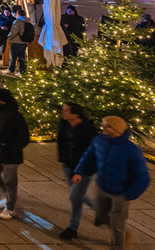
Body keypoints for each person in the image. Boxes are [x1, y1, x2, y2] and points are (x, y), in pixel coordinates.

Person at [73, 116, 150, 250]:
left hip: (121, 192)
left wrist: (129, 194)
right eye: (104, 125)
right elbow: (88, 156)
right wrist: (79, 171)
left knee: (117, 222)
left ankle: (117, 246)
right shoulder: (99, 141)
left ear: (117, 129)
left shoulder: (131, 150)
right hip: (103, 186)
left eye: (108, 126)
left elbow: (143, 176)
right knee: (101, 215)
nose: (104, 128)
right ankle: (122, 233)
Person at [57, 102, 99, 240]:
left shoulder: (89, 130)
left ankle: (72, 228)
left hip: (84, 170)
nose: (63, 113)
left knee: (75, 197)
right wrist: (64, 158)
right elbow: (62, 142)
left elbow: (92, 153)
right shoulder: (65, 124)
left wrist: (82, 170)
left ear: (75, 114)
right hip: (69, 165)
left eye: (66, 111)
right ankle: (101, 211)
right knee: (76, 195)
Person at [0, 88, 30, 220]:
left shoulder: (15, 116)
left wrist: (13, 149)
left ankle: (10, 208)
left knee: (10, 182)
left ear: (1, 99)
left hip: (11, 156)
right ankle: (7, 195)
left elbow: (24, 137)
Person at [7, 8, 32, 74]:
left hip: (16, 41)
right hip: (24, 42)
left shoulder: (17, 22)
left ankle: (11, 70)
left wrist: (9, 37)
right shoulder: (28, 21)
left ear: (18, 14)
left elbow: (14, 32)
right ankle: (22, 71)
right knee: (22, 58)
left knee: (13, 57)